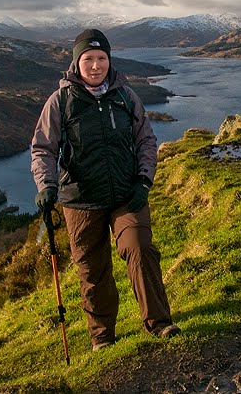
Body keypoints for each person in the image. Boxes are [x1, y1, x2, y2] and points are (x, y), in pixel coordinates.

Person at [31, 28, 179, 350]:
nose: (96, 65)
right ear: (77, 63)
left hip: (128, 194)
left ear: (109, 61)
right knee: (92, 270)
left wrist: (144, 181)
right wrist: (46, 185)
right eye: (89, 59)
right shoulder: (61, 101)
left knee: (140, 249)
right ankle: (102, 337)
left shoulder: (126, 97)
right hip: (81, 201)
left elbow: (146, 140)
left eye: (101, 58)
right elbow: (43, 149)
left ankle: (159, 323)